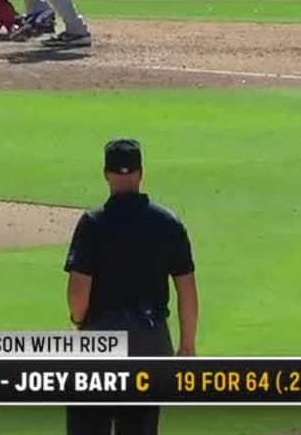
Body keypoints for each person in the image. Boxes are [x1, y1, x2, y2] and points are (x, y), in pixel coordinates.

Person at [64, 138, 198, 435]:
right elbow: (186, 288)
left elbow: (78, 291)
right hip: (150, 343)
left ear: (106, 174)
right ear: (140, 172)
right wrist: (187, 347)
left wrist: (78, 321)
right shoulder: (168, 223)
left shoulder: (93, 223)